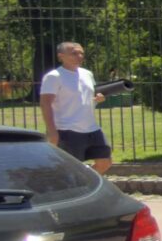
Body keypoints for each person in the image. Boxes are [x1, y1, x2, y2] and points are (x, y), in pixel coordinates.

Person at [39, 41, 112, 174]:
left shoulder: (87, 74)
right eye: (74, 53)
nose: (79, 56)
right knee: (69, 168)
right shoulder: (53, 77)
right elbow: (45, 104)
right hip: (67, 130)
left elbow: (85, 97)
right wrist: (52, 131)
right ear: (60, 56)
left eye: (81, 53)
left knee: (104, 162)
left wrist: (97, 99)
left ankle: (84, 183)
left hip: (92, 128)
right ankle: (70, 189)